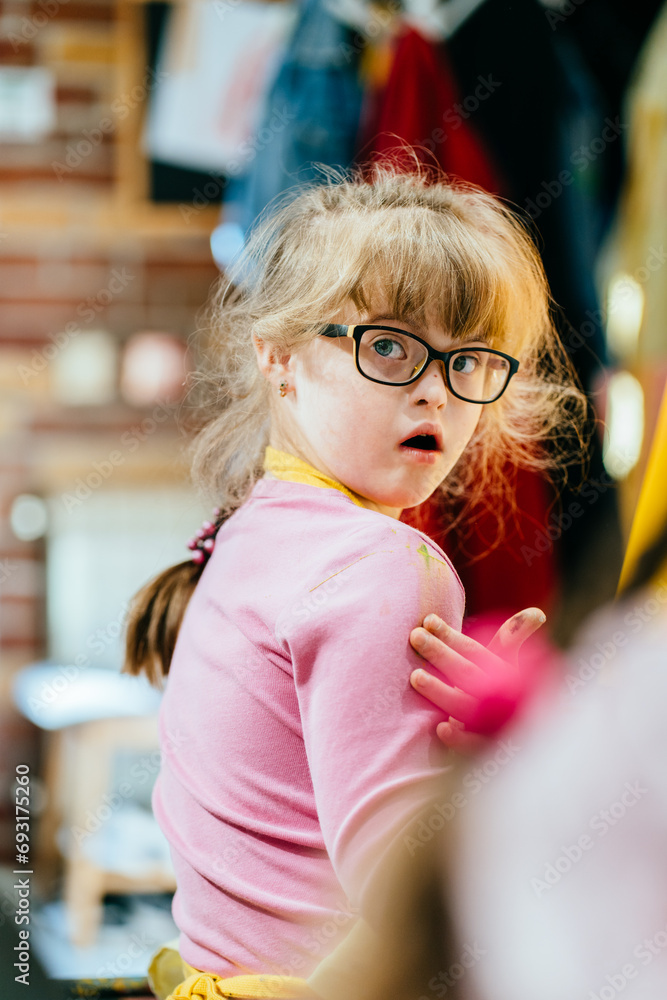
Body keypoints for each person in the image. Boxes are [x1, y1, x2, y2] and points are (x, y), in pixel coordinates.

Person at [123, 162, 586, 1000]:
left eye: (471, 360)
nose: (436, 392)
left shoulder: (252, 525)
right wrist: (535, 755)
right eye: (389, 347)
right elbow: (414, 905)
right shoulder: (380, 566)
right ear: (278, 355)